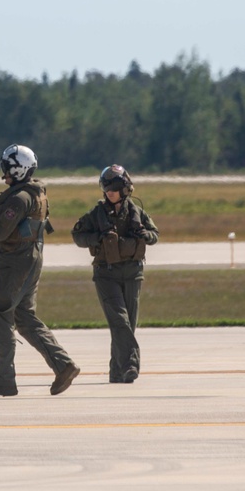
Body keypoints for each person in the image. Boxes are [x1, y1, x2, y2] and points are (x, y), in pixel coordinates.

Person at [0, 144, 80, 397]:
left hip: (14, 264)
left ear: (17, 169)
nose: (4, 172)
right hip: (31, 260)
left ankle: (4, 380)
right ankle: (63, 365)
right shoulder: (36, 195)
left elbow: (0, 232)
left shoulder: (19, 198)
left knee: (0, 317)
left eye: (7, 167)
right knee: (24, 317)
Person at [71, 164, 159, 384]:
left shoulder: (137, 212)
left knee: (128, 323)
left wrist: (145, 235)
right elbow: (78, 236)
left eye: (114, 186)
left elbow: (154, 234)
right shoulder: (96, 215)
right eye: (106, 186)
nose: (109, 191)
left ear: (125, 188)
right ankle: (131, 364)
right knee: (120, 320)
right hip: (106, 275)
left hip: (133, 273)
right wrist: (97, 238)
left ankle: (117, 373)